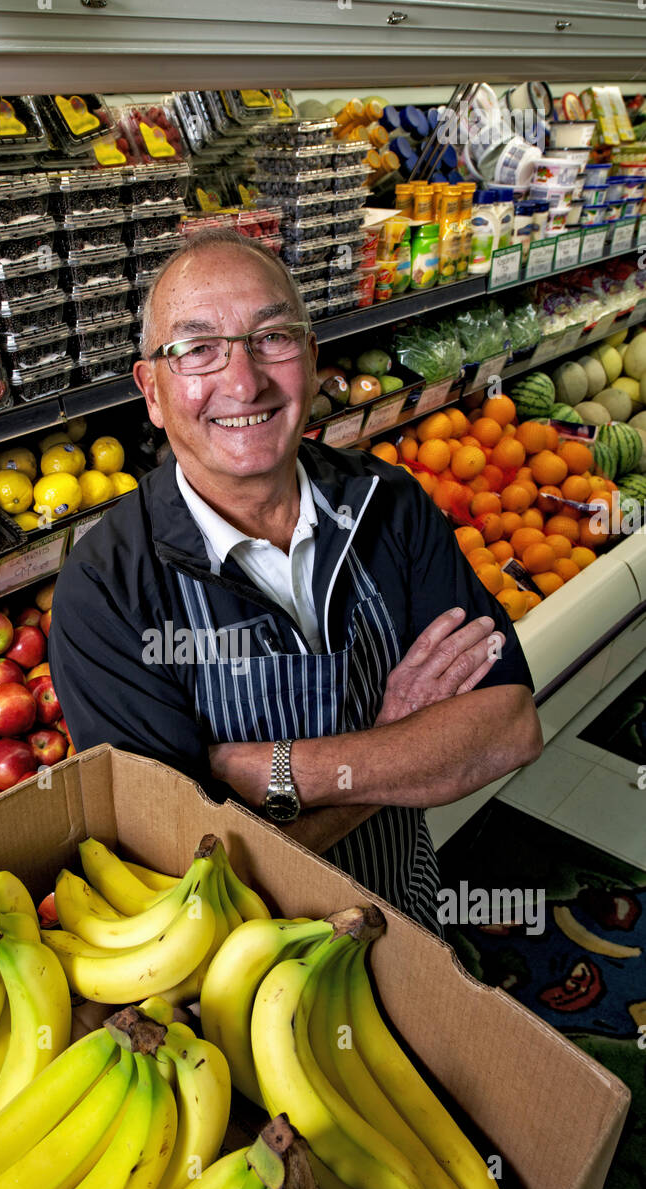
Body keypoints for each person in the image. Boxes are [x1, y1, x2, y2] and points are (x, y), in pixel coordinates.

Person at [49, 228, 542, 933]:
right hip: (245, 975)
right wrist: (397, 748)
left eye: (272, 339)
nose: (243, 382)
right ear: (152, 392)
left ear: (311, 361)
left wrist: (262, 770)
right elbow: (182, 865)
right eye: (196, 350)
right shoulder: (107, 589)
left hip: (404, 907)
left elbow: (507, 728)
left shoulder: (388, 506)